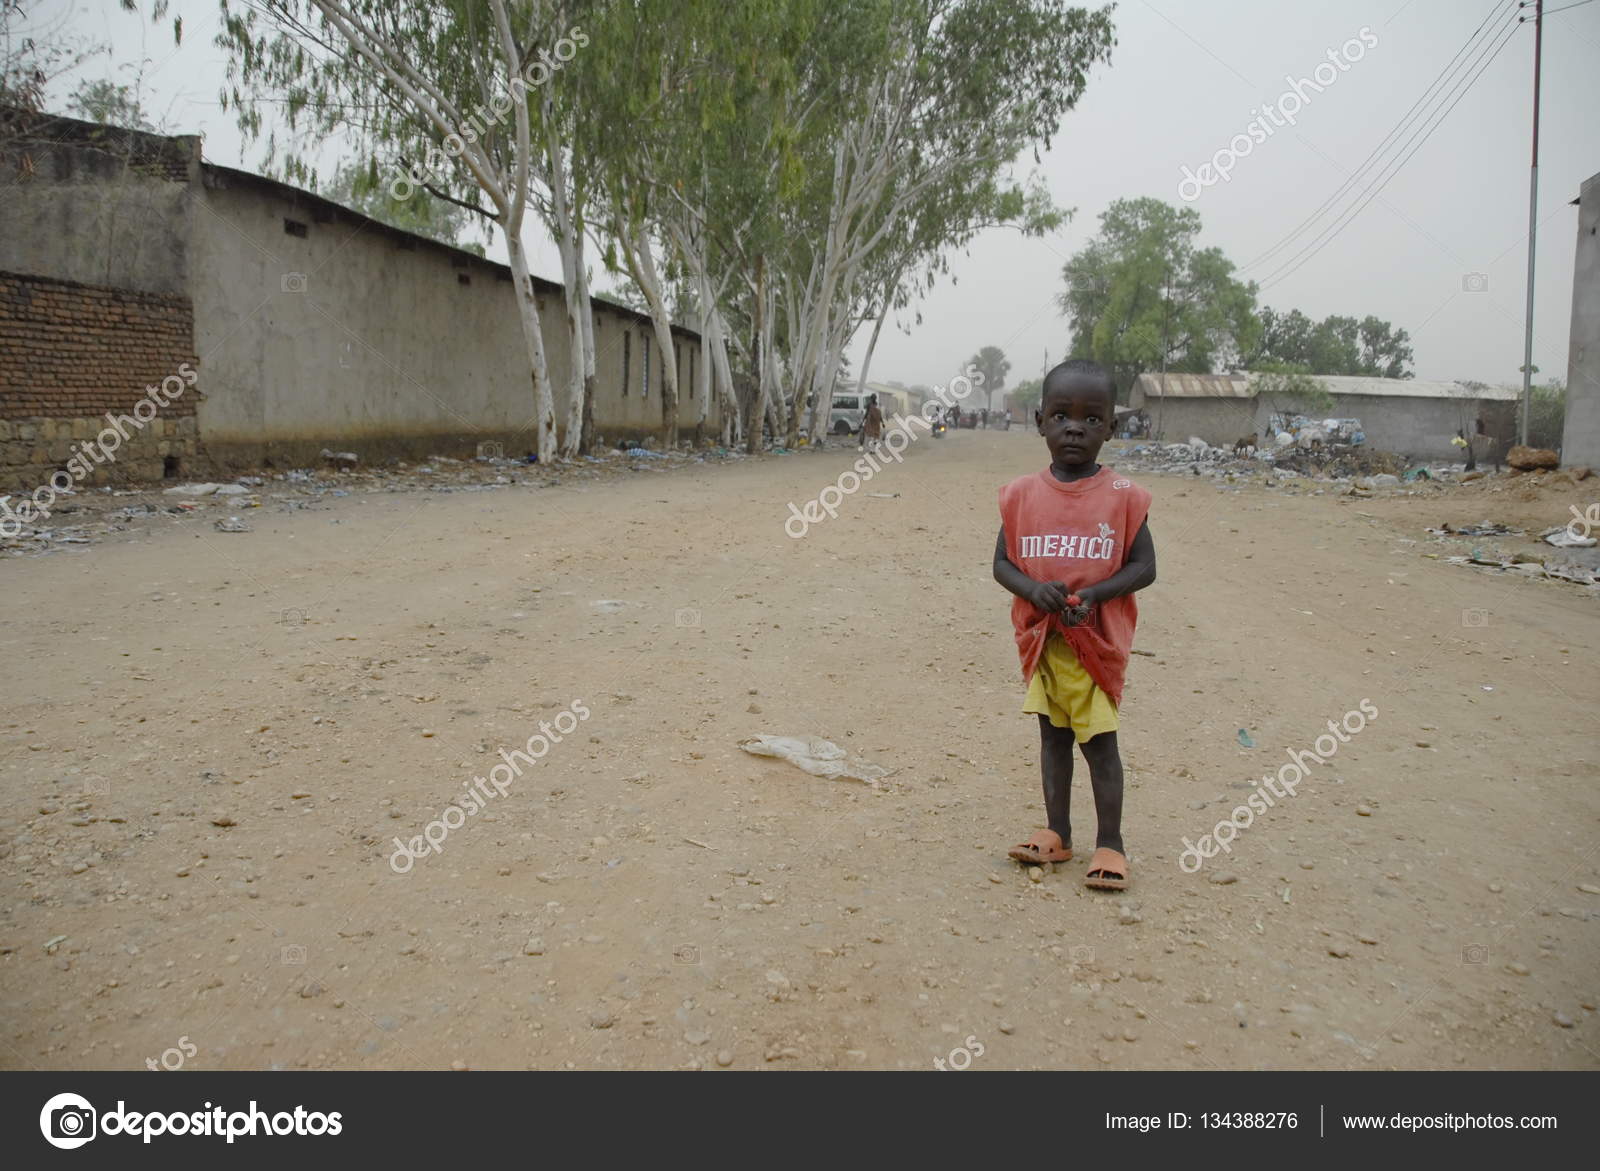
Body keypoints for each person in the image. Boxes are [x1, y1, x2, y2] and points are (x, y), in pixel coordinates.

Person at [992, 359, 1156, 890]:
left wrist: (1097, 594)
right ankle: (1057, 832)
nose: (1075, 428)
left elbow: (1144, 567)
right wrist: (1032, 590)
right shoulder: (1020, 495)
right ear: (1040, 421)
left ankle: (1112, 843)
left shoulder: (1124, 497)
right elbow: (1002, 564)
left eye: (1091, 418)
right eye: (1062, 415)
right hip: (1042, 644)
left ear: (1110, 426)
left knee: (1100, 746)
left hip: (1094, 645)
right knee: (1053, 739)